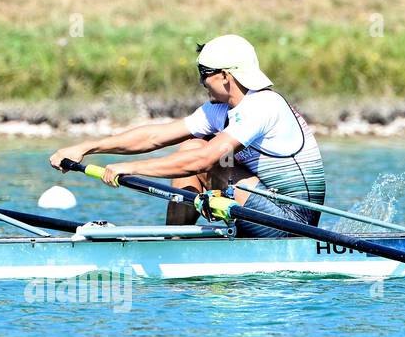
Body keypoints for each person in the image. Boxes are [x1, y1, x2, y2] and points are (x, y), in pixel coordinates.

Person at [49, 35, 325, 237]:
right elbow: (154, 137)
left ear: (226, 76)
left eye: (203, 74)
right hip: (262, 207)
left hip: (293, 222)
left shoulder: (263, 105)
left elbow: (205, 160)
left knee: (204, 156)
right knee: (190, 145)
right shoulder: (219, 110)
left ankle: (177, 245)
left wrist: (129, 168)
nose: (201, 82)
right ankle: (175, 240)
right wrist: (87, 147)